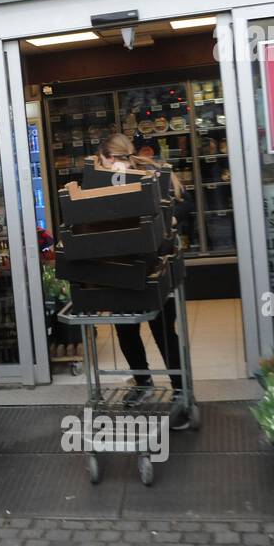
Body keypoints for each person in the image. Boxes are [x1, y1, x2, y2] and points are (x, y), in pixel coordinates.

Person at [92, 135, 190, 428]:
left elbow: (184, 204)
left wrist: (169, 219)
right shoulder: (99, 182)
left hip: (153, 264)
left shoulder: (153, 171)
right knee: (133, 328)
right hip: (125, 266)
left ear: (107, 157)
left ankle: (176, 390)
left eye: (103, 160)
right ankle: (149, 382)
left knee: (155, 329)